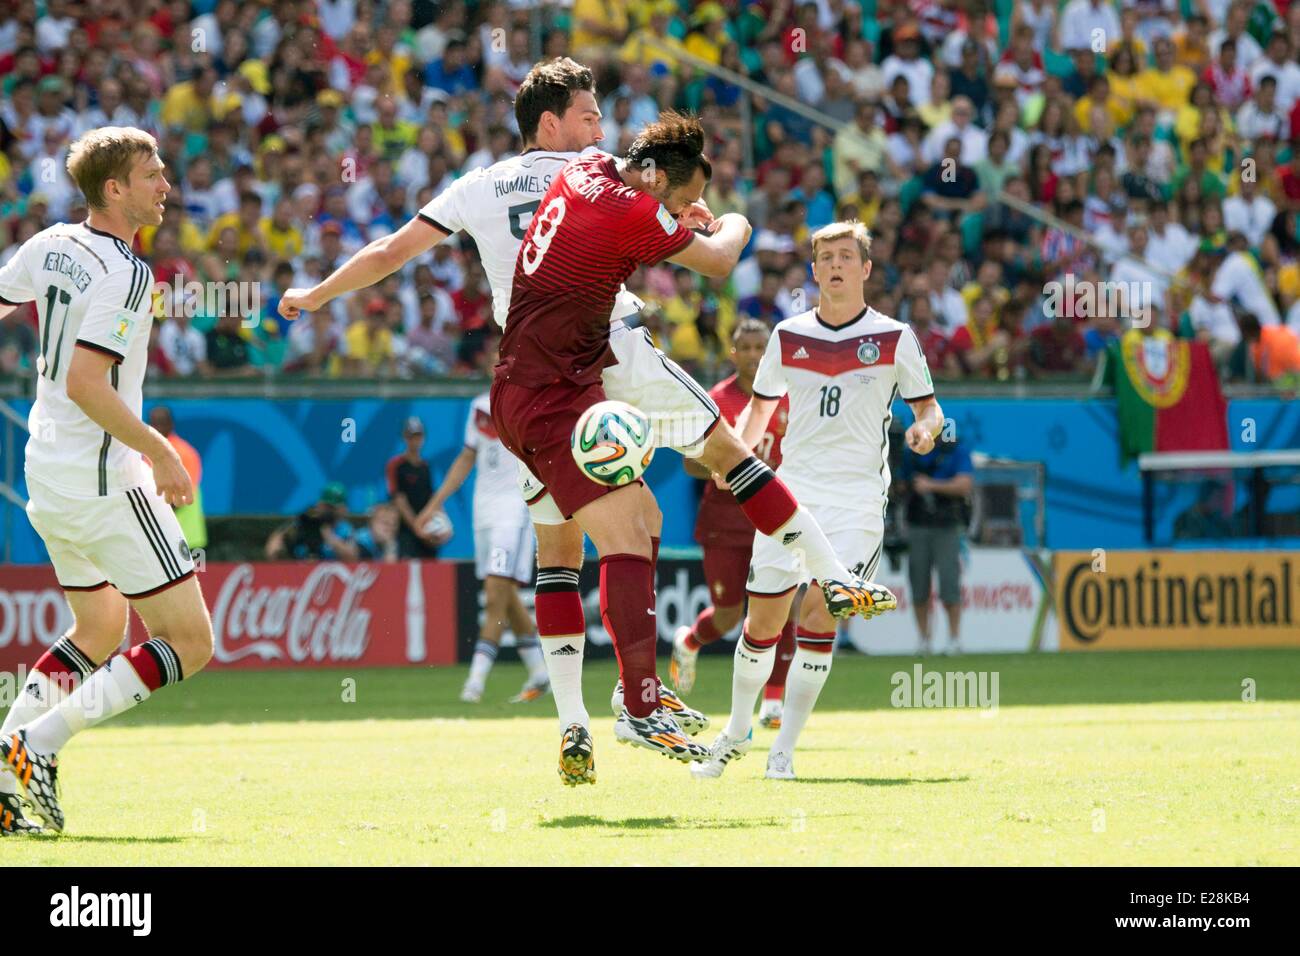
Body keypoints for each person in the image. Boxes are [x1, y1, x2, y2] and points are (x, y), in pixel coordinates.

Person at [494, 113, 899, 773]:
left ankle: (623, 702)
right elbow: (717, 260)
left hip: (534, 381)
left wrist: (675, 211)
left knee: (637, 521)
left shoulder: (585, 169)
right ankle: (643, 705)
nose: (681, 212)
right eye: (680, 200)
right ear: (657, 179)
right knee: (672, 497)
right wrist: (725, 220)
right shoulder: (632, 209)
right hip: (555, 396)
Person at [0, 127, 212, 834]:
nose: (166, 187)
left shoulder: (49, 244)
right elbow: (90, 383)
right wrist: (162, 452)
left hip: (47, 470)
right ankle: (37, 743)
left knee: (99, 624)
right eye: (152, 175)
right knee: (189, 642)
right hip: (102, 478)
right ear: (113, 189)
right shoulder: (127, 273)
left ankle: (4, 774)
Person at [692, 220, 944, 781]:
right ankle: (735, 731)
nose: (835, 265)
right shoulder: (787, 336)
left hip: (856, 500)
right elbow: (758, 412)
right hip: (791, 493)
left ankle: (785, 748)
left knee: (821, 614)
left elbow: (929, 408)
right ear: (813, 271)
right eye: (825, 257)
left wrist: (924, 431)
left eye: (845, 256)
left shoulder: (896, 337)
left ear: (866, 268)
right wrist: (733, 456)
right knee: (762, 621)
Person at [672, 319, 797, 730]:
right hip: (725, 521)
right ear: (733, 353)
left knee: (783, 610)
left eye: (762, 346)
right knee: (728, 615)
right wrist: (719, 466)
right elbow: (689, 461)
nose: (754, 354)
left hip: (775, 520)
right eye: (745, 347)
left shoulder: (789, 399)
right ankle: (689, 642)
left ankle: (774, 702)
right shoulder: (715, 400)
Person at [423, 347, 551, 705]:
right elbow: (466, 459)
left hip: (515, 510)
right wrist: (433, 505)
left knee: (495, 593)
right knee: (506, 595)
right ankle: (540, 672)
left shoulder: (532, 403)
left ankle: (474, 684)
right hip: (483, 513)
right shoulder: (479, 407)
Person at [897, 431, 973, 655]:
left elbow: (964, 485)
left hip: (946, 526)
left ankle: (954, 638)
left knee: (950, 583)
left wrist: (930, 485)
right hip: (918, 525)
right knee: (918, 583)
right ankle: (923, 639)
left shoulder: (956, 450)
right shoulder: (910, 452)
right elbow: (901, 485)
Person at [148, 405, 206, 551]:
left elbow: (185, 494)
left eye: (162, 423)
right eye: (154, 423)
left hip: (188, 537)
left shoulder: (185, 453)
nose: (157, 427)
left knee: (197, 574)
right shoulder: (148, 451)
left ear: (171, 425)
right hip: (161, 535)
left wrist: (152, 516)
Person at [385, 417, 438, 558]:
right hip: (405, 532)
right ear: (404, 438)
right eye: (411, 436)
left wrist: (442, 525)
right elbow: (399, 500)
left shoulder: (425, 467)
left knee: (430, 573)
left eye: (418, 436)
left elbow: (431, 497)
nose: (415, 441)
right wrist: (417, 528)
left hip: (426, 530)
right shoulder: (396, 465)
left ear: (423, 438)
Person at [264, 482, 354, 560]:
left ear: (343, 509)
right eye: (326, 506)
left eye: (332, 507)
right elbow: (276, 541)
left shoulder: (345, 530)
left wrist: (327, 533)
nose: (328, 510)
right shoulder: (305, 522)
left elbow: (351, 557)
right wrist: (278, 546)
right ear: (319, 504)